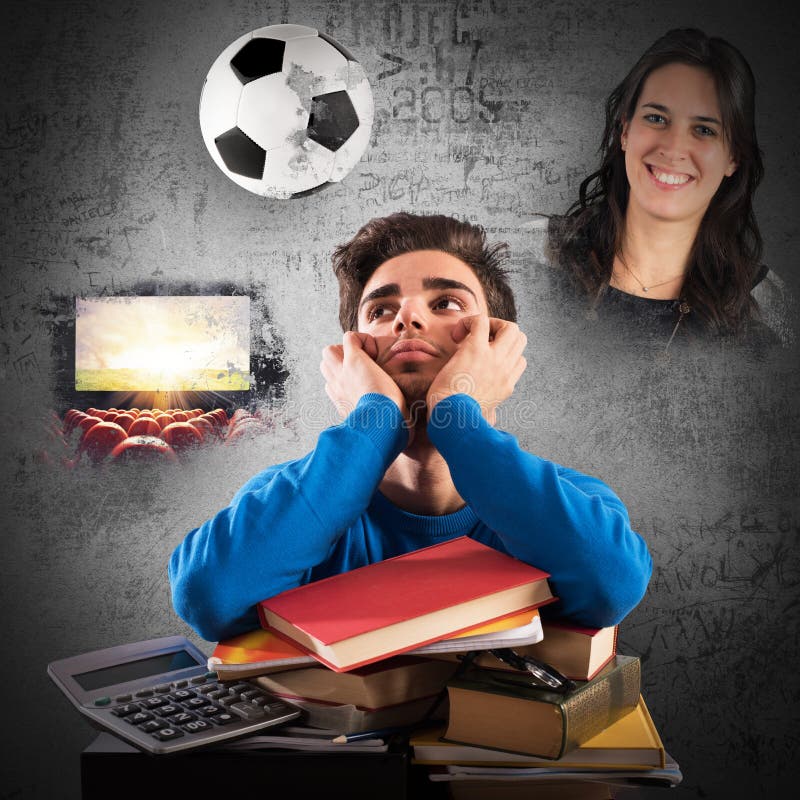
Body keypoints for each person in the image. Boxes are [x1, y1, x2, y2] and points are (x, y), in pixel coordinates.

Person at [169, 213, 652, 642]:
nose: (407, 316)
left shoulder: (576, 501)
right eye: (380, 311)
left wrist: (458, 418)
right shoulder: (285, 497)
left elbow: (609, 585)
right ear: (354, 355)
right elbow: (209, 596)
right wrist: (375, 416)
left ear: (496, 345)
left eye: (446, 303)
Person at [547, 28, 788, 348]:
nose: (673, 149)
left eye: (704, 130)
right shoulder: (531, 256)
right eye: (657, 118)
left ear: (733, 157)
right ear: (625, 130)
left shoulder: (766, 307)